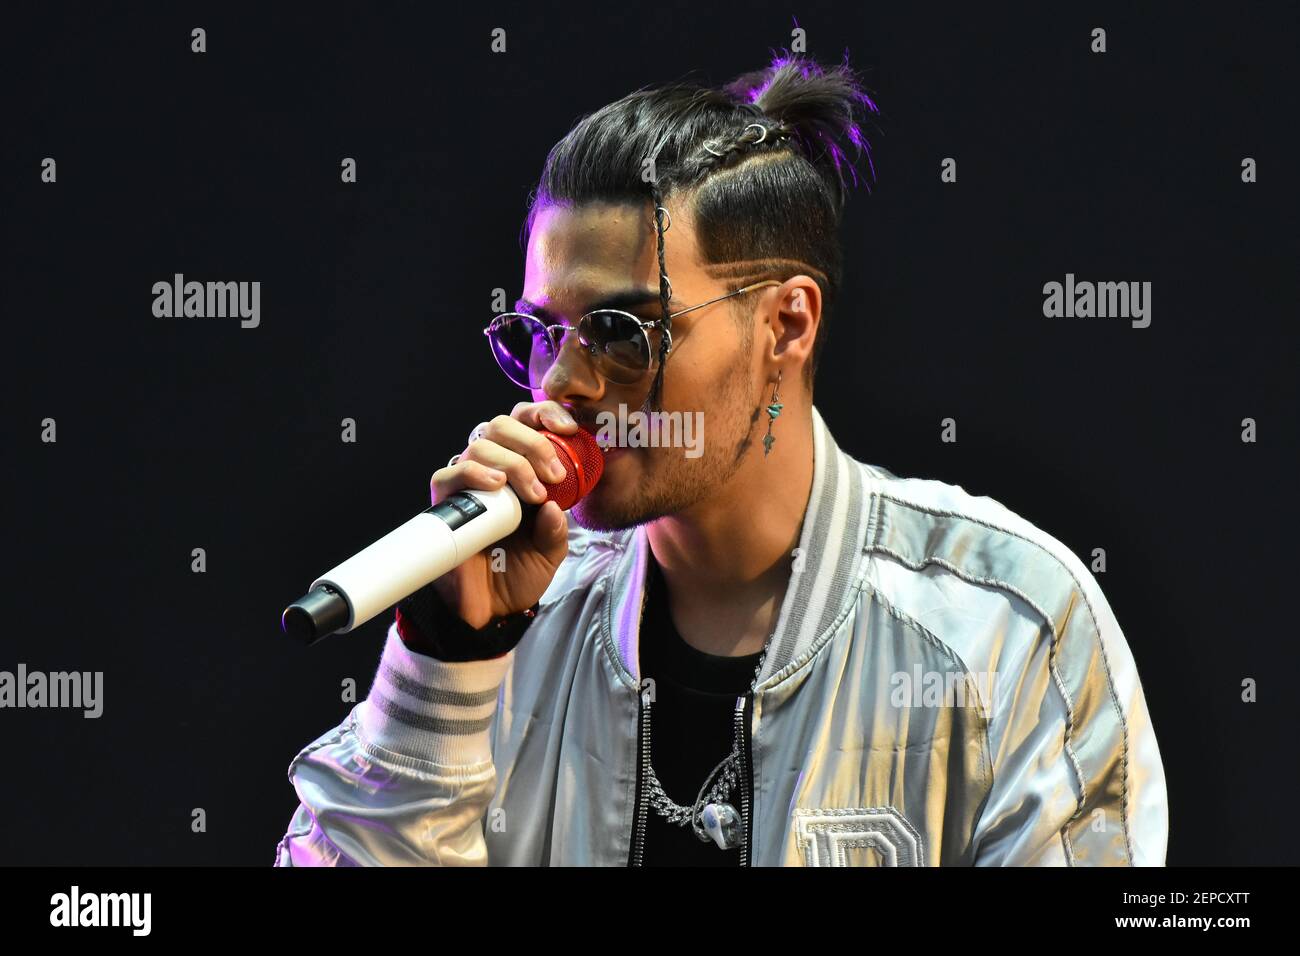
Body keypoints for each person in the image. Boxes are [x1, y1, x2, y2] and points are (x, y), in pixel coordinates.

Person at [275, 54, 1168, 866]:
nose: (562, 383)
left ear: (787, 324)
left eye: (620, 332)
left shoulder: (1007, 625)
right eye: (541, 333)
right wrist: (445, 665)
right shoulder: (516, 624)